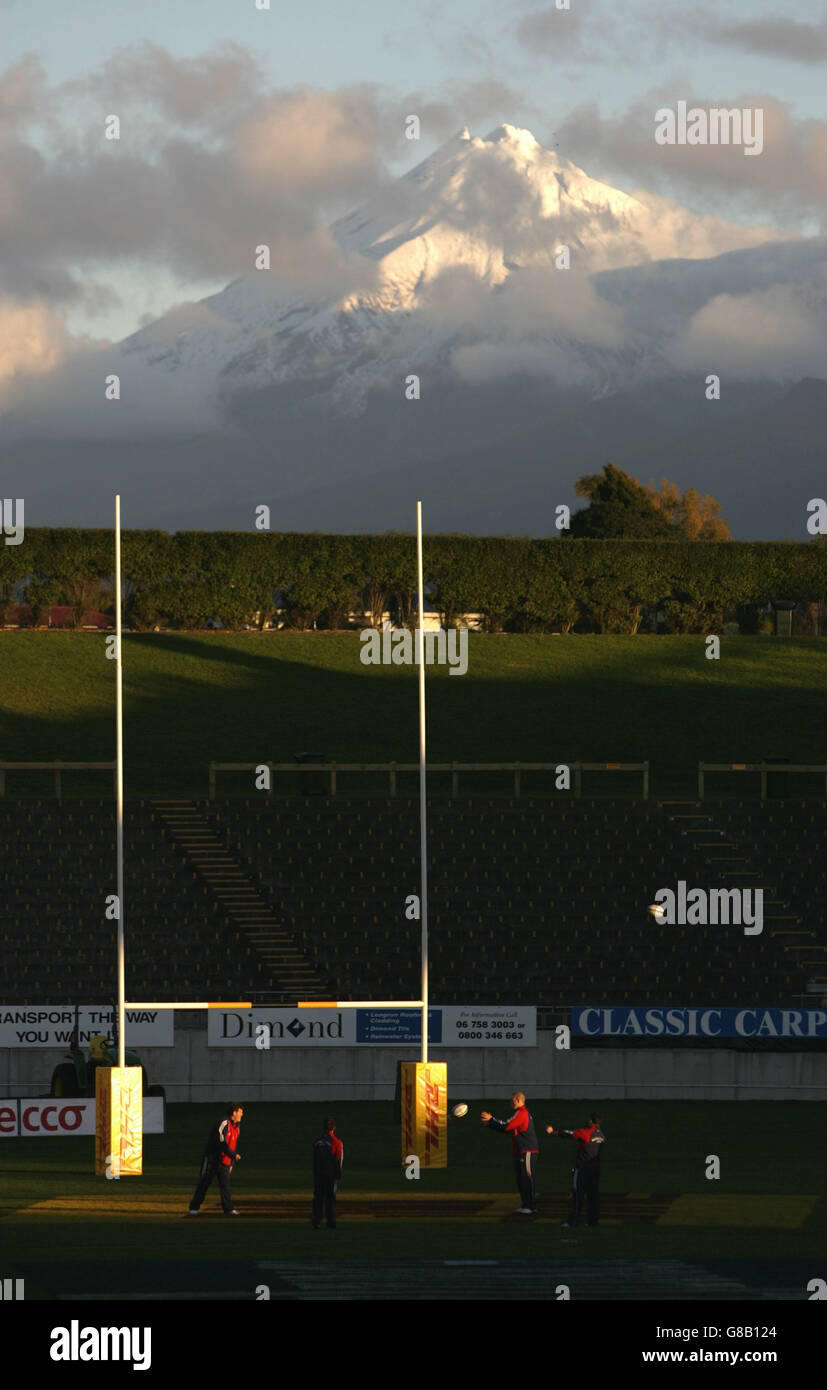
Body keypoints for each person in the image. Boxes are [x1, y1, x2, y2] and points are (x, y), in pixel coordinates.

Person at [481, 1091, 539, 1214]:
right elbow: (507, 1128)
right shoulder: (520, 1113)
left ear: (518, 1100)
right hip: (521, 1150)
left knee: (527, 1178)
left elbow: (507, 1126)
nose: (510, 1102)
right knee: (521, 1178)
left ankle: (531, 1206)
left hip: (527, 1150)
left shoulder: (522, 1113)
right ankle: (525, 1205)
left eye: (512, 1100)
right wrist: (491, 1124)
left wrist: (491, 1120)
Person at [546, 1111, 605, 1227]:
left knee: (577, 1196)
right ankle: (593, 1221)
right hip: (595, 1170)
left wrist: (554, 1132)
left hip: (583, 1169)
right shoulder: (602, 1135)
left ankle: (573, 1221)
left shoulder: (586, 1133)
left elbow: (570, 1134)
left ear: (591, 1121)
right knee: (593, 1196)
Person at [189, 1103, 243, 1215]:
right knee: (204, 1183)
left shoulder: (236, 1128)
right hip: (212, 1159)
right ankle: (194, 1208)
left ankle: (228, 1208)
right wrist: (233, 1155)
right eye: (240, 1112)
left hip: (224, 1162)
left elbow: (233, 1144)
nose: (241, 1115)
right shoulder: (223, 1123)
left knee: (225, 1186)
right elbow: (220, 1141)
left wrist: (231, 1163)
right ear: (234, 1112)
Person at [312, 1117, 344, 1229]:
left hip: (318, 1174)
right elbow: (338, 1159)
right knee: (330, 1199)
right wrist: (338, 1175)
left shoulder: (317, 1142)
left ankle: (316, 1221)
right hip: (330, 1174)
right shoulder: (337, 1142)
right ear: (334, 1128)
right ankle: (330, 1222)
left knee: (318, 1198)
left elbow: (315, 1159)